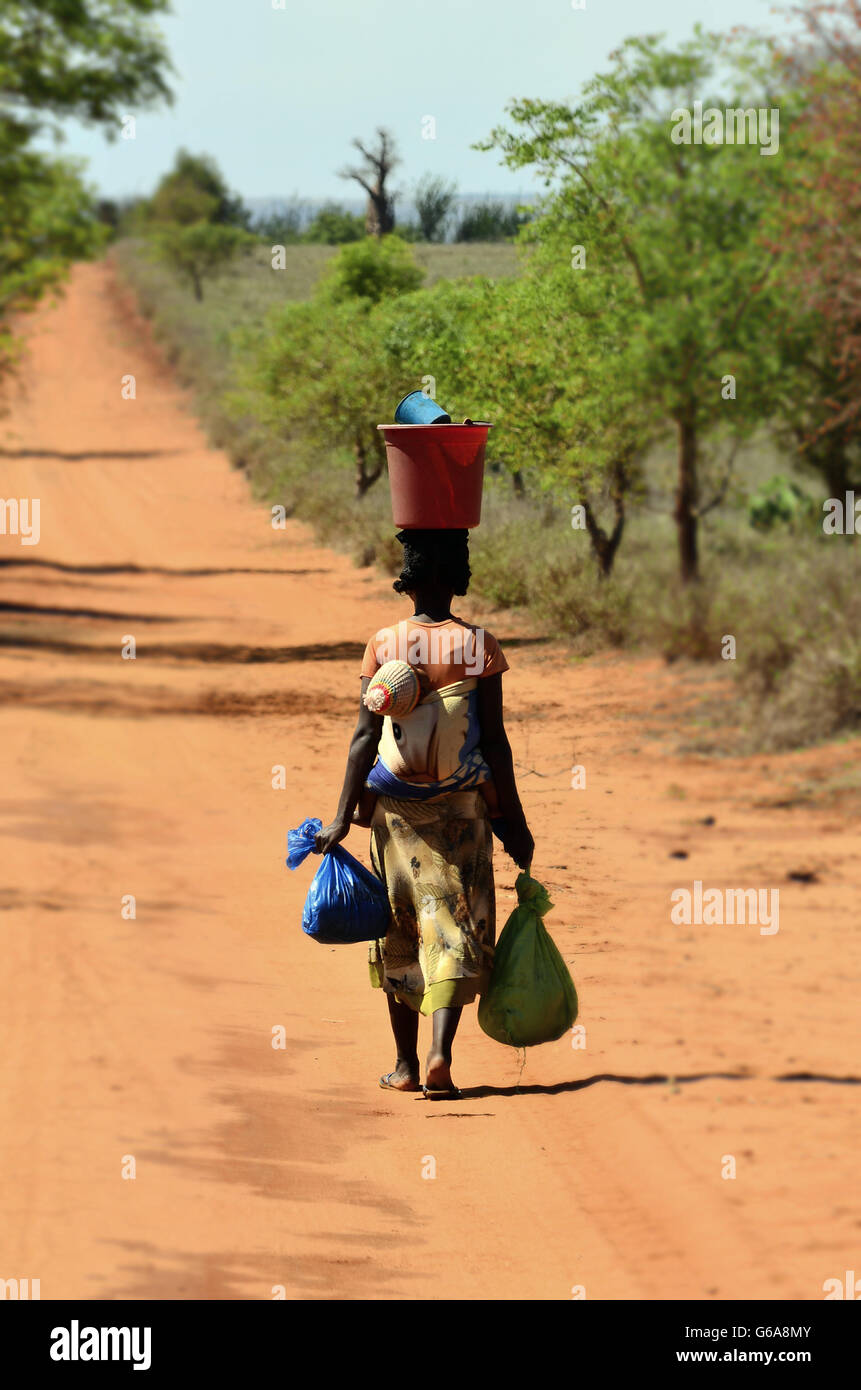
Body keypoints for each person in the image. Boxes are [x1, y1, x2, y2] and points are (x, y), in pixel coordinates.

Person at [314, 529, 534, 1098]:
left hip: (394, 815)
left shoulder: (383, 644)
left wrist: (341, 817)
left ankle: (406, 1065)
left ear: (408, 582)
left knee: (400, 929)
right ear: (458, 579)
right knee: (454, 925)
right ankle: (441, 1055)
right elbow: (496, 743)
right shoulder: (480, 646)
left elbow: (364, 738)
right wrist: (513, 819)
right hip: (463, 809)